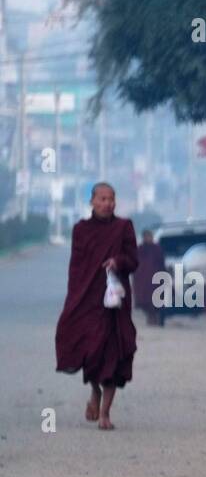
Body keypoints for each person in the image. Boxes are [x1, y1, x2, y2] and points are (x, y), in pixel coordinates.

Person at [55, 182, 140, 431]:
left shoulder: (124, 227)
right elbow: (77, 267)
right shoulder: (81, 230)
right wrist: (73, 300)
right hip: (89, 301)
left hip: (115, 303)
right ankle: (95, 392)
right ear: (91, 201)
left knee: (113, 355)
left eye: (111, 199)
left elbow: (134, 260)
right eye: (102, 199)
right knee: (91, 354)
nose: (107, 203)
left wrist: (118, 261)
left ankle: (105, 413)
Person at [134, 229, 165, 327]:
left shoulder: (157, 249)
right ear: (144, 238)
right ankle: (150, 317)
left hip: (156, 278)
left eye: (150, 236)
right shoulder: (140, 249)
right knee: (145, 300)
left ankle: (155, 317)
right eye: (147, 236)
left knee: (157, 299)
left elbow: (161, 263)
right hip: (143, 279)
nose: (149, 238)